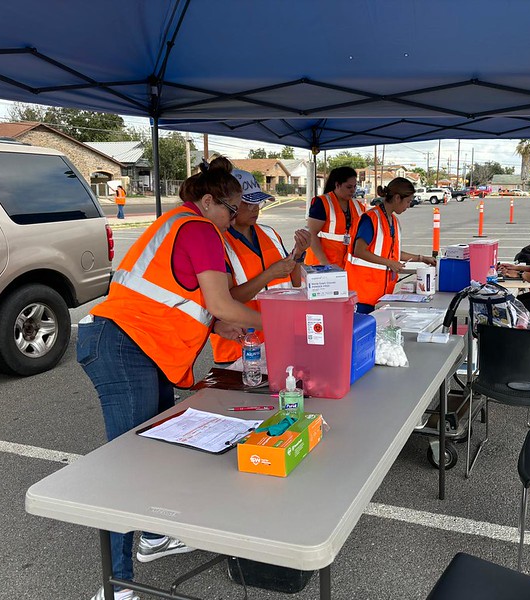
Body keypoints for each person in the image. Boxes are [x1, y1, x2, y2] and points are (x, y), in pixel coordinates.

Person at [77, 158, 262, 600]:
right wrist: (283, 325)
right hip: (123, 345)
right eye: (232, 210)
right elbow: (220, 302)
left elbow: (180, 302)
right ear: (208, 201)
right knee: (128, 463)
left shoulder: (183, 224)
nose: (235, 219)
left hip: (143, 344)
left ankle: (155, 538)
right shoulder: (197, 229)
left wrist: (220, 327)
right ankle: (114, 586)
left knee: (159, 446)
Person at [210, 169, 311, 364]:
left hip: (276, 339)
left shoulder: (269, 233)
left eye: (257, 202)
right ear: (231, 204)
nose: (254, 208)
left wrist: (298, 254)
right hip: (237, 348)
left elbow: (294, 283)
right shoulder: (219, 242)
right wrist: (269, 274)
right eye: (247, 203)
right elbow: (225, 299)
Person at [346, 178, 437, 314]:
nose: (408, 206)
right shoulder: (371, 219)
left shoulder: (393, 220)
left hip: (381, 295)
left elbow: (392, 253)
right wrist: (390, 263)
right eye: (407, 201)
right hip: (363, 295)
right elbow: (359, 251)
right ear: (397, 198)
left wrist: (422, 258)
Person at [305, 166, 365, 268]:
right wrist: (325, 263)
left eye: (355, 187)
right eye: (349, 187)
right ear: (337, 185)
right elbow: (312, 234)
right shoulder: (322, 203)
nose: (353, 191)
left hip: (347, 265)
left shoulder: (358, 206)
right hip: (321, 264)